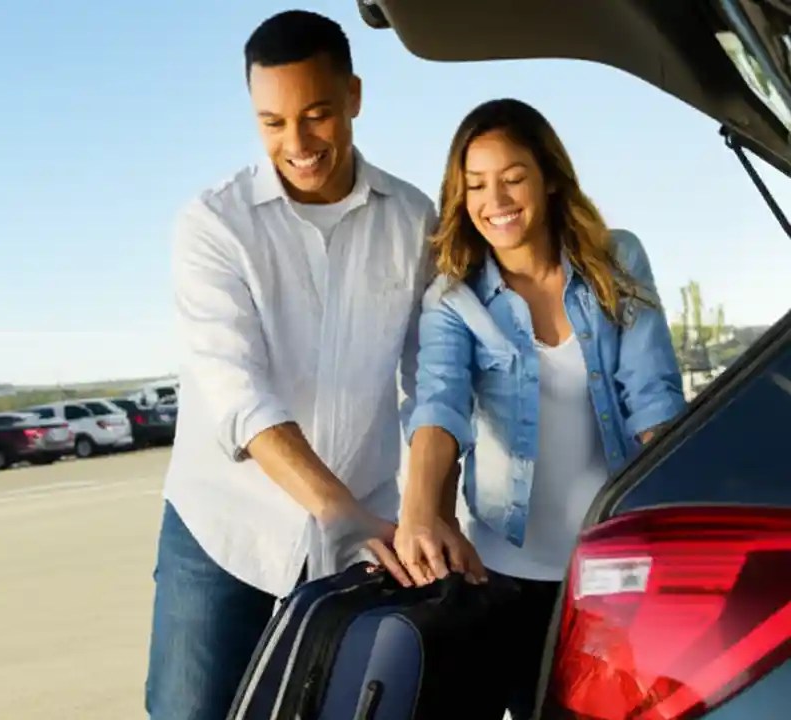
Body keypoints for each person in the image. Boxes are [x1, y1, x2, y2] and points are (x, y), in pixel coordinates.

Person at [144, 9, 438, 720]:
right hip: (225, 534)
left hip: (368, 527)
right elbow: (238, 396)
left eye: (317, 115)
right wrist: (342, 513)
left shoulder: (412, 218)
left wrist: (425, 509)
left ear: (355, 98)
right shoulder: (213, 224)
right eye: (272, 123)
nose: (298, 143)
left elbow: (431, 379)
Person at [393, 97, 687, 719]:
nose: (494, 200)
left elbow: (654, 399)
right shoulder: (454, 298)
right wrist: (419, 511)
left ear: (548, 177)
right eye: (475, 185)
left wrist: (674, 530)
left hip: (615, 572)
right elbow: (439, 404)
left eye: (513, 178)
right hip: (507, 575)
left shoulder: (617, 260)